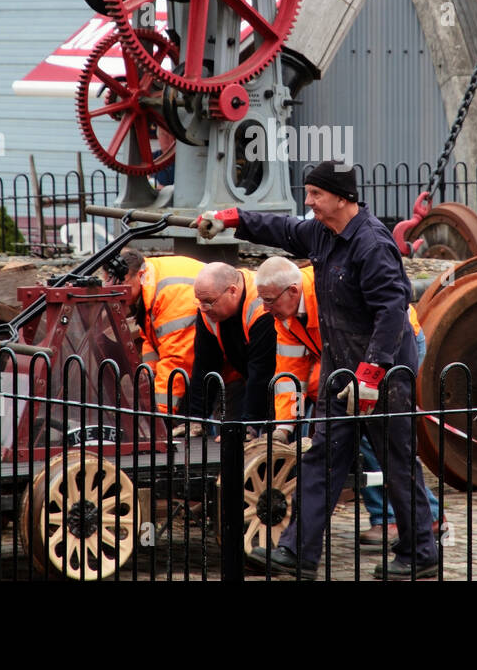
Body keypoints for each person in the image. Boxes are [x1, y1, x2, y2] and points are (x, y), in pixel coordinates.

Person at [198, 160, 439, 580]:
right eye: (307, 194)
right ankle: (297, 553)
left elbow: (391, 311)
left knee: (396, 461)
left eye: (315, 195)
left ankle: (421, 552)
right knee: (321, 460)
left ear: (342, 198)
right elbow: (281, 228)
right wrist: (229, 219)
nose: (308, 202)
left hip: (382, 374)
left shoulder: (371, 244)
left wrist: (372, 374)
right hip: (339, 372)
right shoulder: (322, 234)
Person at [254, 255, 443, 545]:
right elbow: (290, 375)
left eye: (269, 300)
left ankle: (398, 520)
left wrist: (365, 383)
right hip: (349, 358)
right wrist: (285, 425)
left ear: (292, 291)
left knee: (375, 431)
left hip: (394, 347)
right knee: (358, 433)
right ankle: (417, 516)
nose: (265, 309)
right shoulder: (286, 317)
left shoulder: (328, 294)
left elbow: (376, 332)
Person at [103, 248, 203, 414]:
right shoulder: (150, 281)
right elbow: (153, 341)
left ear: (139, 275)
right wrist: (147, 381)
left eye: (121, 284)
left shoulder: (169, 295)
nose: (117, 290)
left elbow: (176, 359)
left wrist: (159, 414)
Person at [183, 263, 277, 430]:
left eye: (208, 302)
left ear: (233, 291)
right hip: (245, 376)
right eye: (199, 301)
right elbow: (204, 365)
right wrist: (197, 419)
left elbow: (262, 370)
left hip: (279, 383)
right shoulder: (209, 310)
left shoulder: (261, 306)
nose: (203, 308)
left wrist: (249, 424)